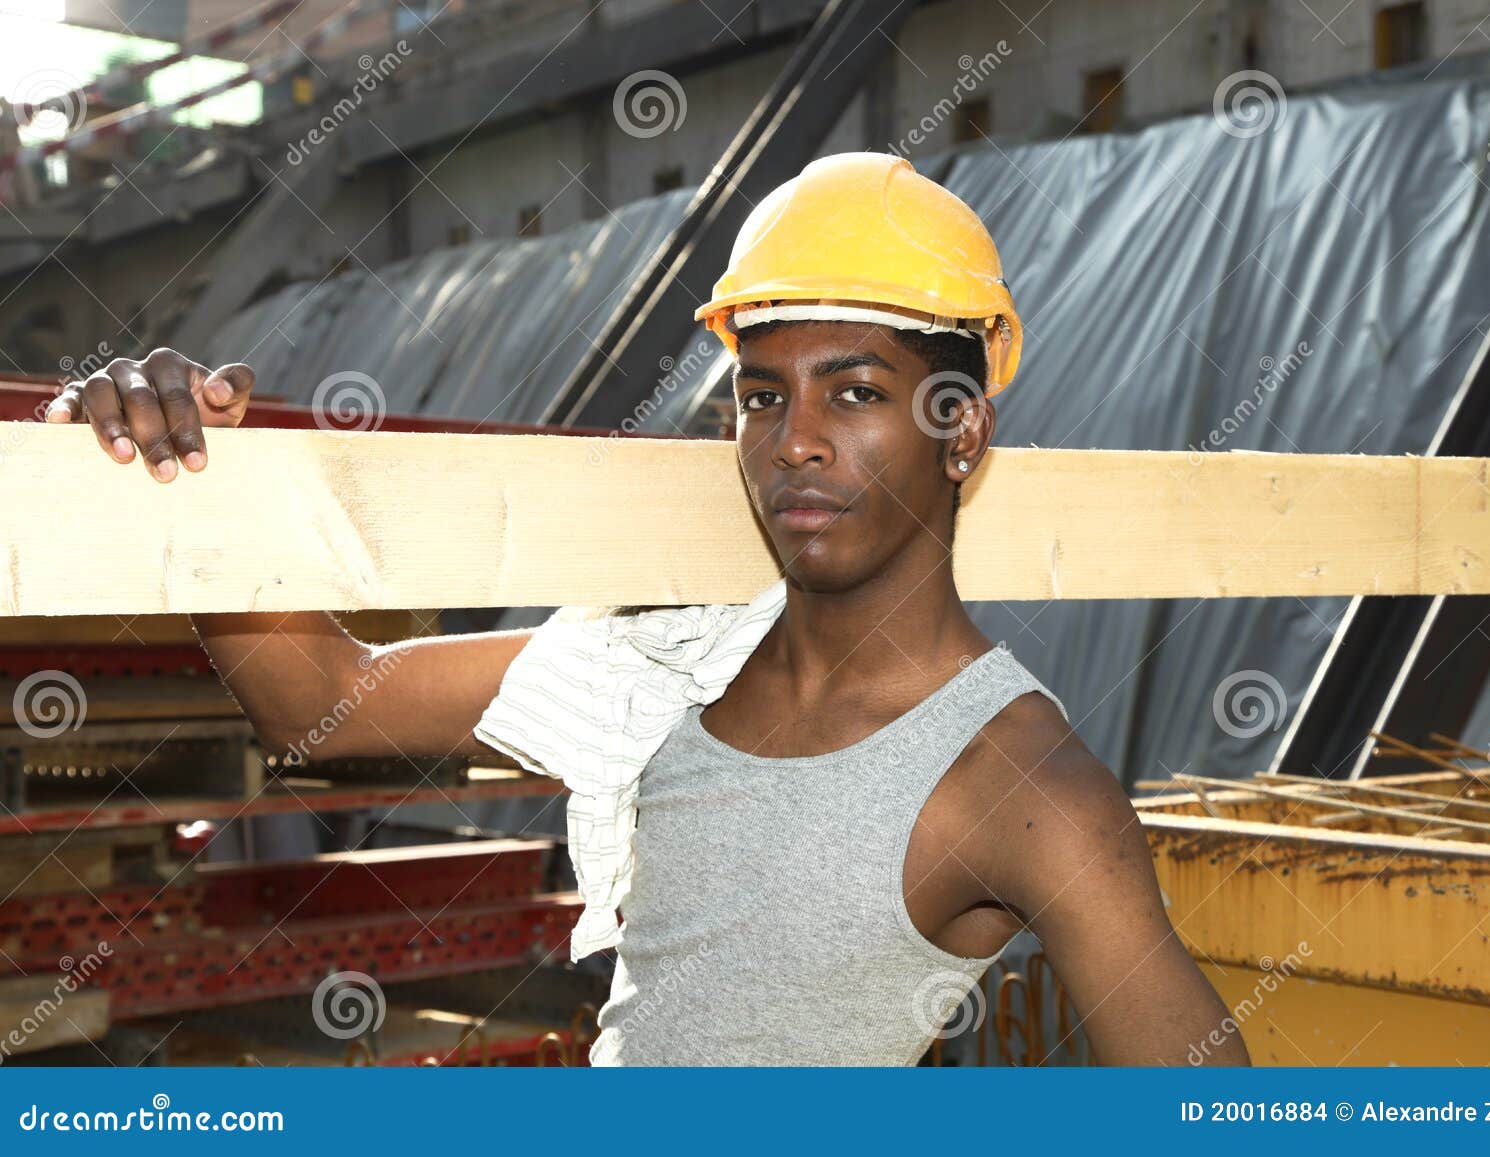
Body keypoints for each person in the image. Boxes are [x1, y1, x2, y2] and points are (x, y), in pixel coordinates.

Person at [47, 151, 1249, 1067]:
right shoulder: (663, 664)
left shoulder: (1019, 781)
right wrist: (188, 462)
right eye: (762, 396)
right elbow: (313, 703)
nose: (798, 442)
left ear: (961, 427)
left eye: (858, 391)